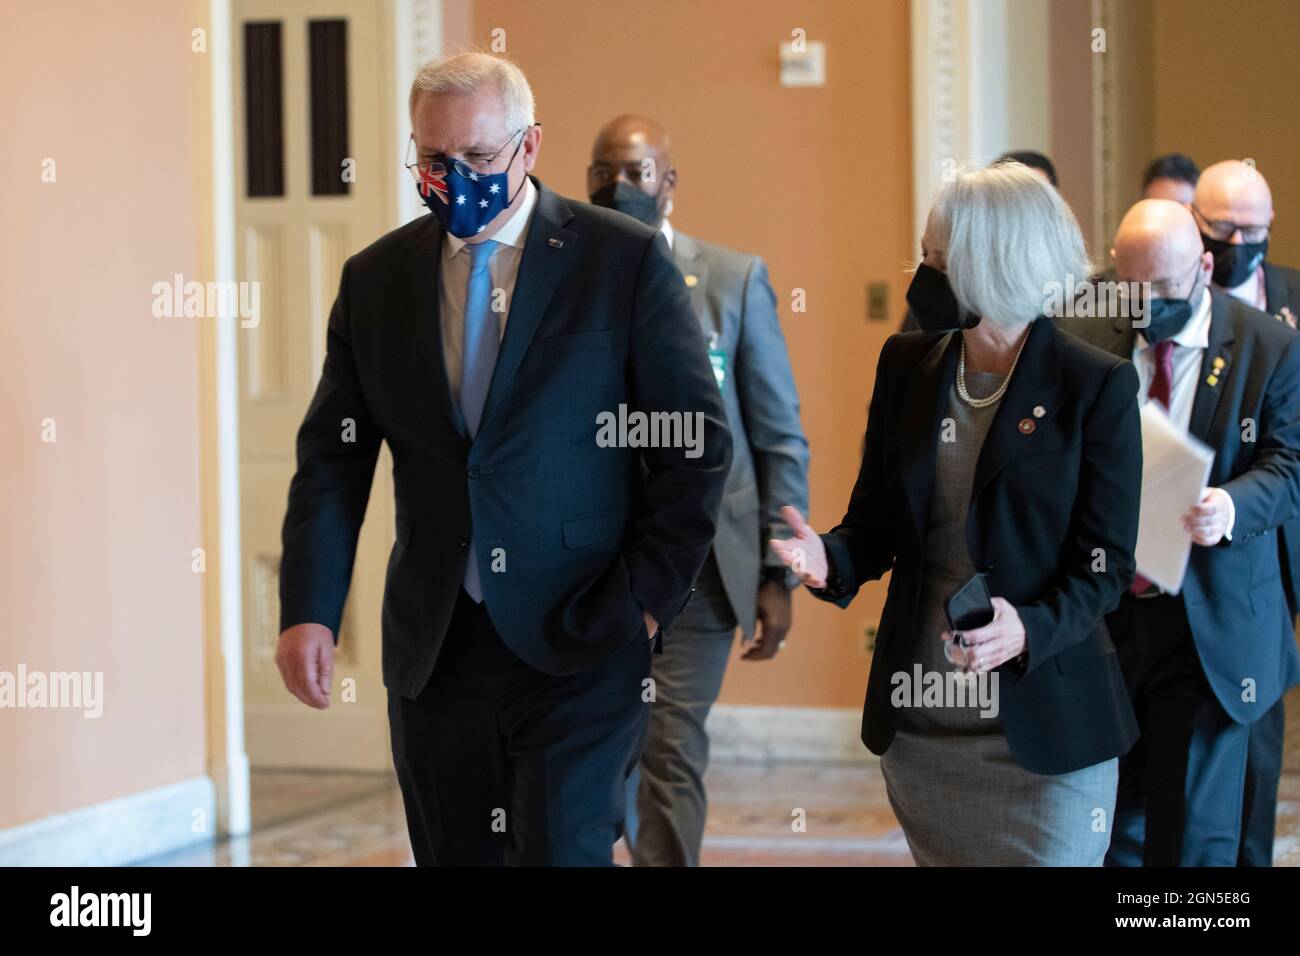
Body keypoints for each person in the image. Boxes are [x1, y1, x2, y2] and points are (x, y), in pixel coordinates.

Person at [274, 52, 732, 866]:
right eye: (434, 161)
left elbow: (692, 444)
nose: (455, 179)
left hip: (584, 630)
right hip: (436, 643)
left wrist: (646, 603)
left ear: (529, 147)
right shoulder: (375, 281)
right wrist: (309, 606)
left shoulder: (617, 261)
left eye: (478, 159)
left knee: (563, 851)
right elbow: (333, 461)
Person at [773, 162, 1141, 865]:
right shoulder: (906, 366)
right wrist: (826, 558)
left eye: (937, 261)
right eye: (924, 255)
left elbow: (1106, 566)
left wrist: (1025, 630)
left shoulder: (1095, 386)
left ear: (992, 264)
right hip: (926, 730)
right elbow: (874, 523)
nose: (923, 276)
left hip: (1050, 737)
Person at [586, 114, 811, 866]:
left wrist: (780, 573)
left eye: (638, 171)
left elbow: (777, 434)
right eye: (604, 172)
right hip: (592, 568)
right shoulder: (562, 284)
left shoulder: (731, 279)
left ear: (669, 182)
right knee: (602, 745)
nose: (619, 187)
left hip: (706, 567)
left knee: (669, 744)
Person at [1060, 199, 1300, 866]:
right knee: (1109, 829)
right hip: (1108, 620)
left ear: (1202, 266)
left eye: (1162, 290)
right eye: (1130, 288)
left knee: (1190, 836)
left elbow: (1290, 465)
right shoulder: (1084, 335)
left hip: (1210, 622)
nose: (1145, 306)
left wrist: (1232, 505)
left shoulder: (1268, 347)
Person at [1194, 160, 1300, 866]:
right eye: (1227, 229)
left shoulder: (1292, 297)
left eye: (1255, 230)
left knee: (1261, 737)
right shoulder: (1175, 295)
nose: (1243, 242)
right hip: (1200, 540)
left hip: (1282, 535)